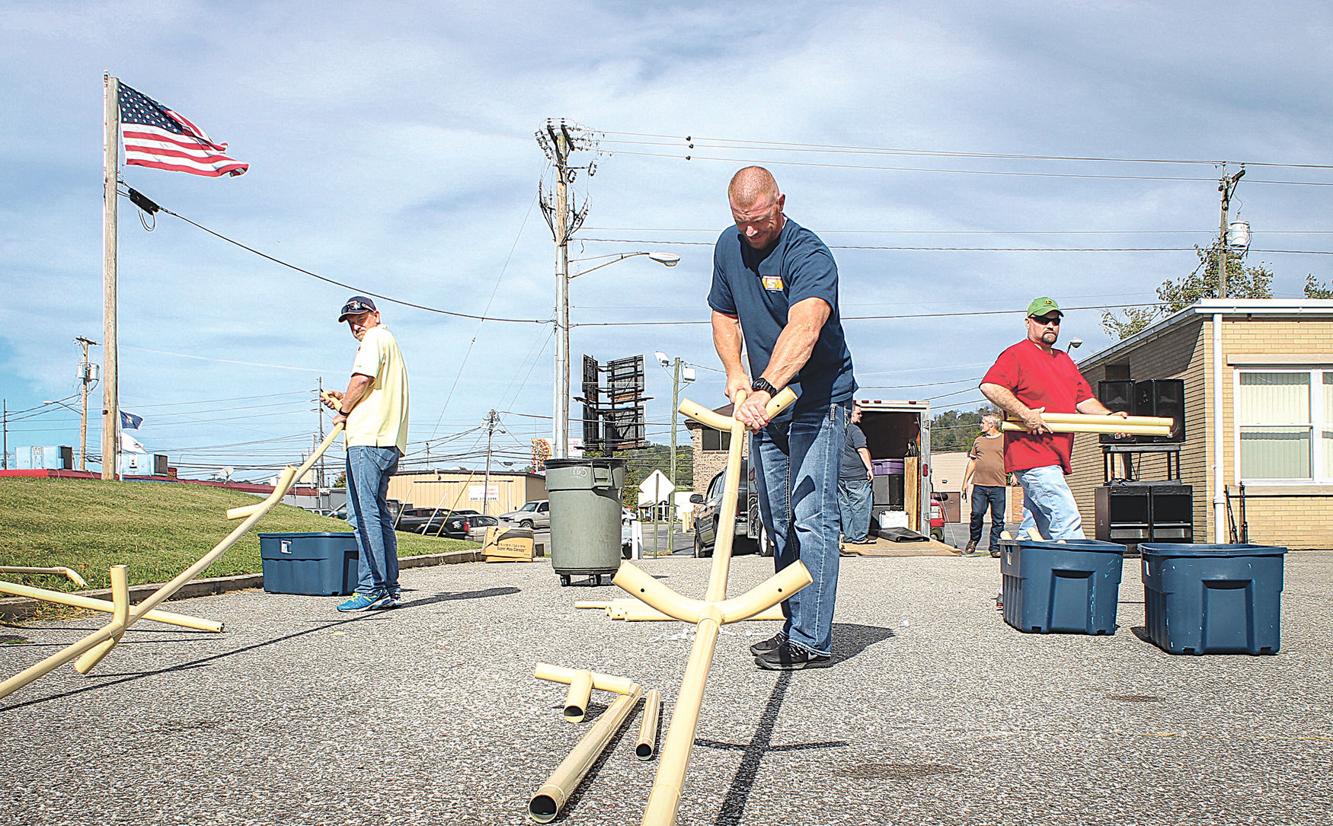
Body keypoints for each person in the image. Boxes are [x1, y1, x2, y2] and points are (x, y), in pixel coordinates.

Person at [709, 166, 857, 670]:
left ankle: (811, 640)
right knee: (778, 519)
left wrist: (765, 386)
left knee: (813, 515)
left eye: (758, 220)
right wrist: (736, 375)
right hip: (763, 404)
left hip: (816, 397)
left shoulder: (808, 253)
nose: (750, 232)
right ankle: (793, 624)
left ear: (781, 203)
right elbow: (724, 313)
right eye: (740, 221)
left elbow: (806, 324)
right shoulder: (728, 247)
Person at [979, 297, 1125, 540]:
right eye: (1042, 320)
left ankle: (1025, 571)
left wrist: (1110, 418)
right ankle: (1078, 570)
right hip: (1032, 455)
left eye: (1055, 321)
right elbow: (991, 386)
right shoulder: (1016, 355)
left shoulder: (1064, 360)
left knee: (1036, 528)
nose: (1050, 325)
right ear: (1028, 322)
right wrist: (1026, 414)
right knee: (1065, 517)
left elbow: (1083, 400)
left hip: (1056, 456)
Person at [323, 295, 411, 611]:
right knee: (376, 515)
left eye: (360, 317)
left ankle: (371, 586)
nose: (356, 325)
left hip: (368, 442)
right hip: (386, 440)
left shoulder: (375, 338)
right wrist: (343, 398)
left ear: (376, 315)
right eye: (350, 321)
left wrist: (344, 409)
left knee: (363, 516)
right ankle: (388, 588)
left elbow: (362, 378)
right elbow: (368, 388)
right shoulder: (389, 343)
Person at [960, 413, 1006, 556]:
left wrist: (1015, 475)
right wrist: (965, 482)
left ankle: (995, 548)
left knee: (998, 518)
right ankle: (973, 540)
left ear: (992, 424)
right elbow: (972, 461)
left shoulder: (1005, 440)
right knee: (977, 514)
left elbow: (1012, 459)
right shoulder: (978, 440)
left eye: (983, 422)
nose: (981, 425)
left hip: (998, 485)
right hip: (979, 484)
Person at [838, 402, 875, 545]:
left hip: (841, 477)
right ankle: (859, 537)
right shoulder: (854, 430)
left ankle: (849, 536)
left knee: (845, 506)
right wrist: (870, 469)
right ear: (849, 413)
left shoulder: (838, 431)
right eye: (858, 413)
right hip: (857, 477)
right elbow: (861, 449)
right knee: (860, 506)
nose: (861, 416)